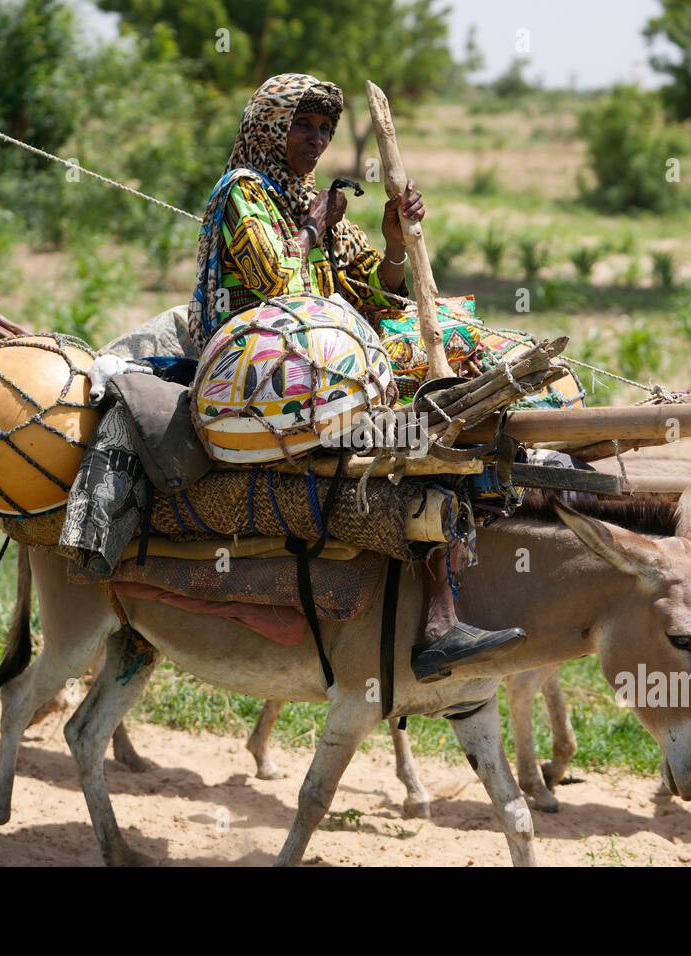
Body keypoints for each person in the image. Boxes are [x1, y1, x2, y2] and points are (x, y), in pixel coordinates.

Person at [188, 73, 524, 683]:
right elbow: (275, 288)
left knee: (456, 340)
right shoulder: (245, 194)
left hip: (321, 355)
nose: (315, 140)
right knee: (425, 392)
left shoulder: (315, 197)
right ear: (269, 127)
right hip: (257, 365)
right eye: (301, 125)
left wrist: (395, 242)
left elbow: (377, 295)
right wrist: (314, 226)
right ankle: (435, 588)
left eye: (324, 129)